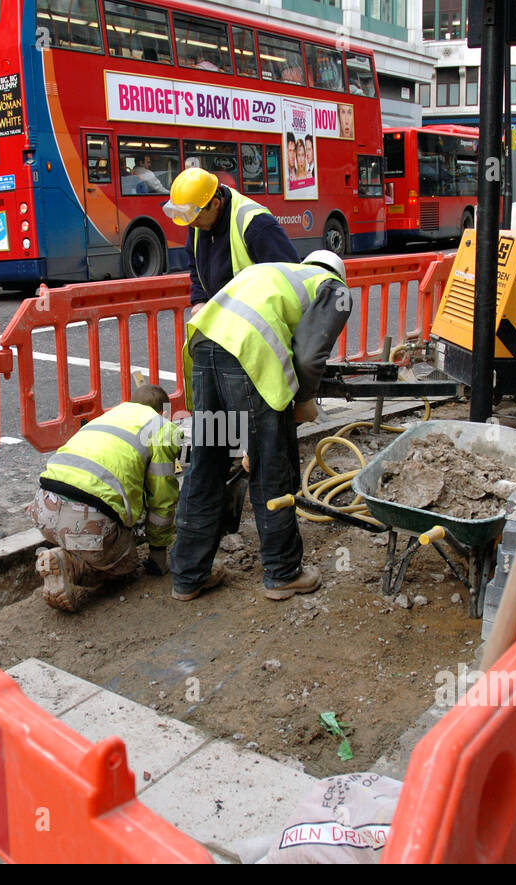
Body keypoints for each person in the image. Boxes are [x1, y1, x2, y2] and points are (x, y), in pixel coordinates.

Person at [170, 250, 352, 602]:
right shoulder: (335, 287)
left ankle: (189, 576)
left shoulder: (277, 273)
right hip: (248, 358)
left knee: (207, 464)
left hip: (205, 350)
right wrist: (303, 400)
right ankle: (283, 573)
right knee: (272, 467)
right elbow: (309, 355)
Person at [29, 384, 184, 611]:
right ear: (163, 412)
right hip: (87, 516)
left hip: (43, 507)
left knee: (90, 532)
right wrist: (158, 554)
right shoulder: (162, 428)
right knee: (125, 565)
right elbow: (162, 500)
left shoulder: (109, 415)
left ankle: (63, 553)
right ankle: (70, 564)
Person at [162, 165, 299, 316]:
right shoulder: (198, 221)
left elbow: (290, 278)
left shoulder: (256, 224)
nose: (192, 224)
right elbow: (195, 265)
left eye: (195, 218)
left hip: (259, 321)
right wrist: (199, 300)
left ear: (215, 204)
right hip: (225, 321)